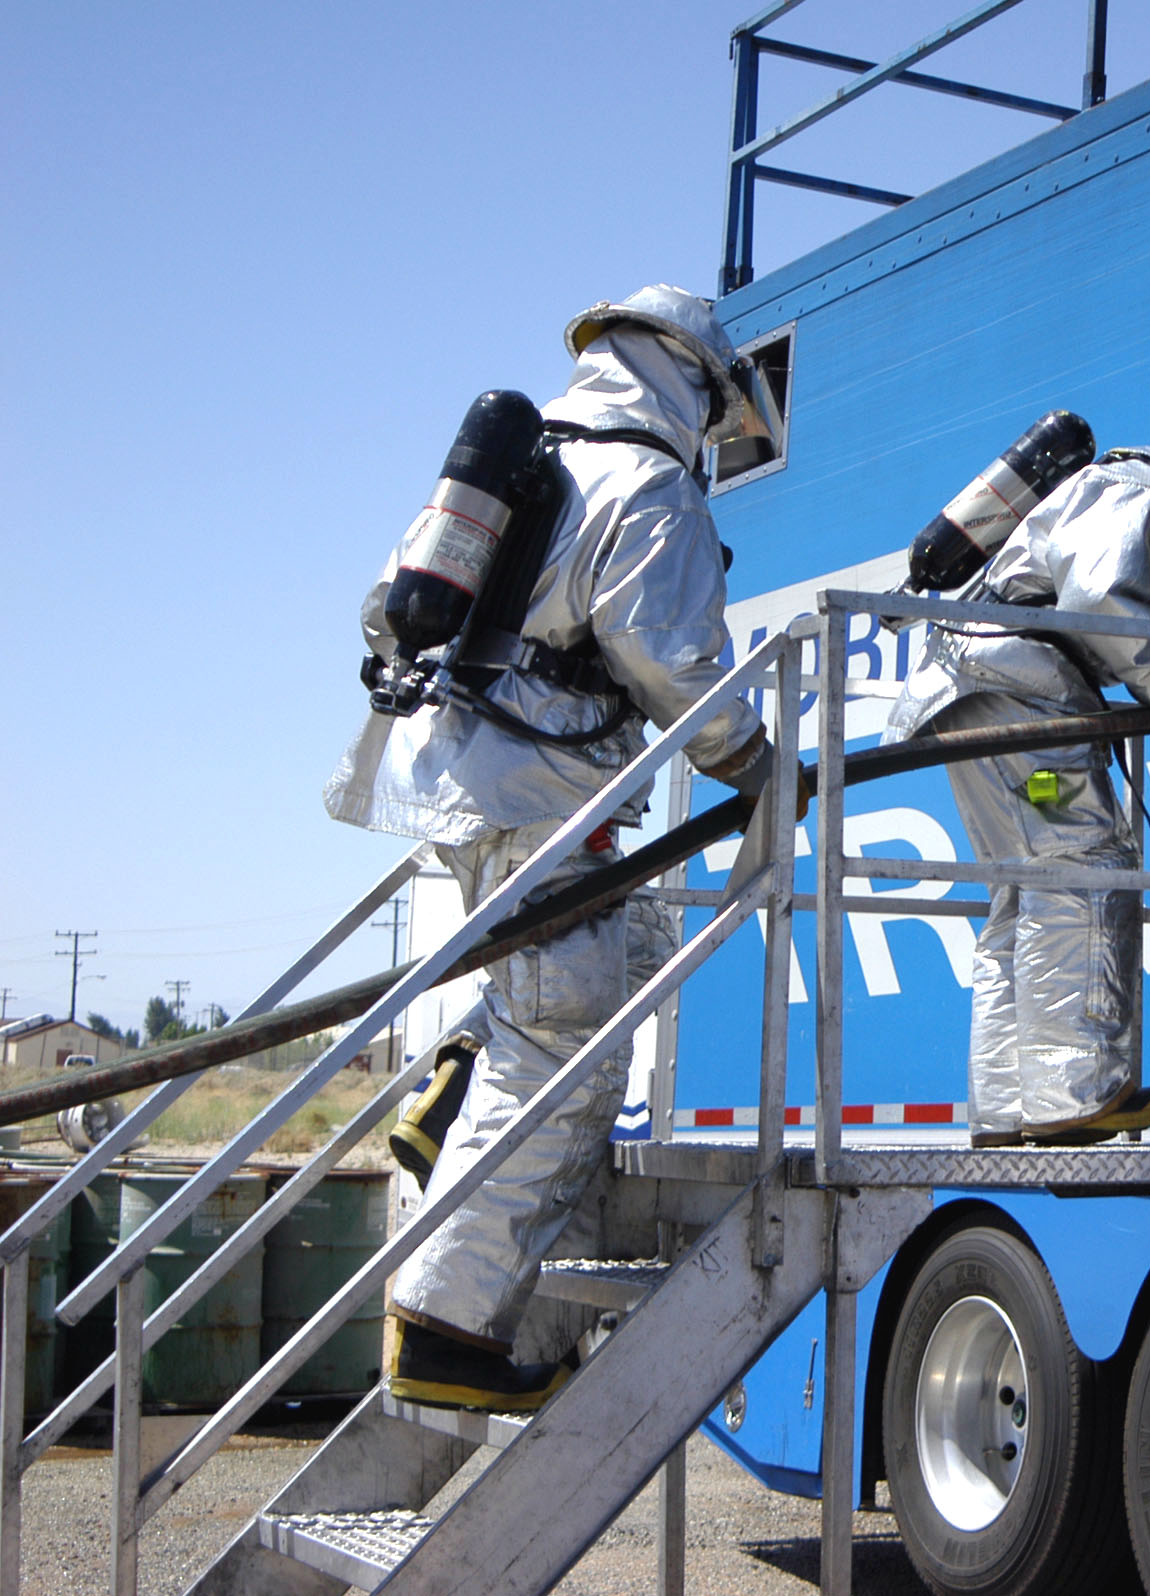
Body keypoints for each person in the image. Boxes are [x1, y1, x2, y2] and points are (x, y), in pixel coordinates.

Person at [325, 285, 787, 1409]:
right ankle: (444, 1326)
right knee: (571, 1043)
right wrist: (760, 763)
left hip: (461, 776)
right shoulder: (650, 484)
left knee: (547, 993)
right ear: (690, 379)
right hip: (542, 783)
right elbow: (672, 661)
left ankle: (446, 1097)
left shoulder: (535, 458)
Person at [886, 395, 1150, 1146]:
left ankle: (1004, 1108)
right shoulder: (1148, 491)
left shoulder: (1116, 483)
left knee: (1019, 893)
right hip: (1016, 694)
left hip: (971, 688)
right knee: (1085, 862)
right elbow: (1102, 600)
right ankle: (1074, 1093)